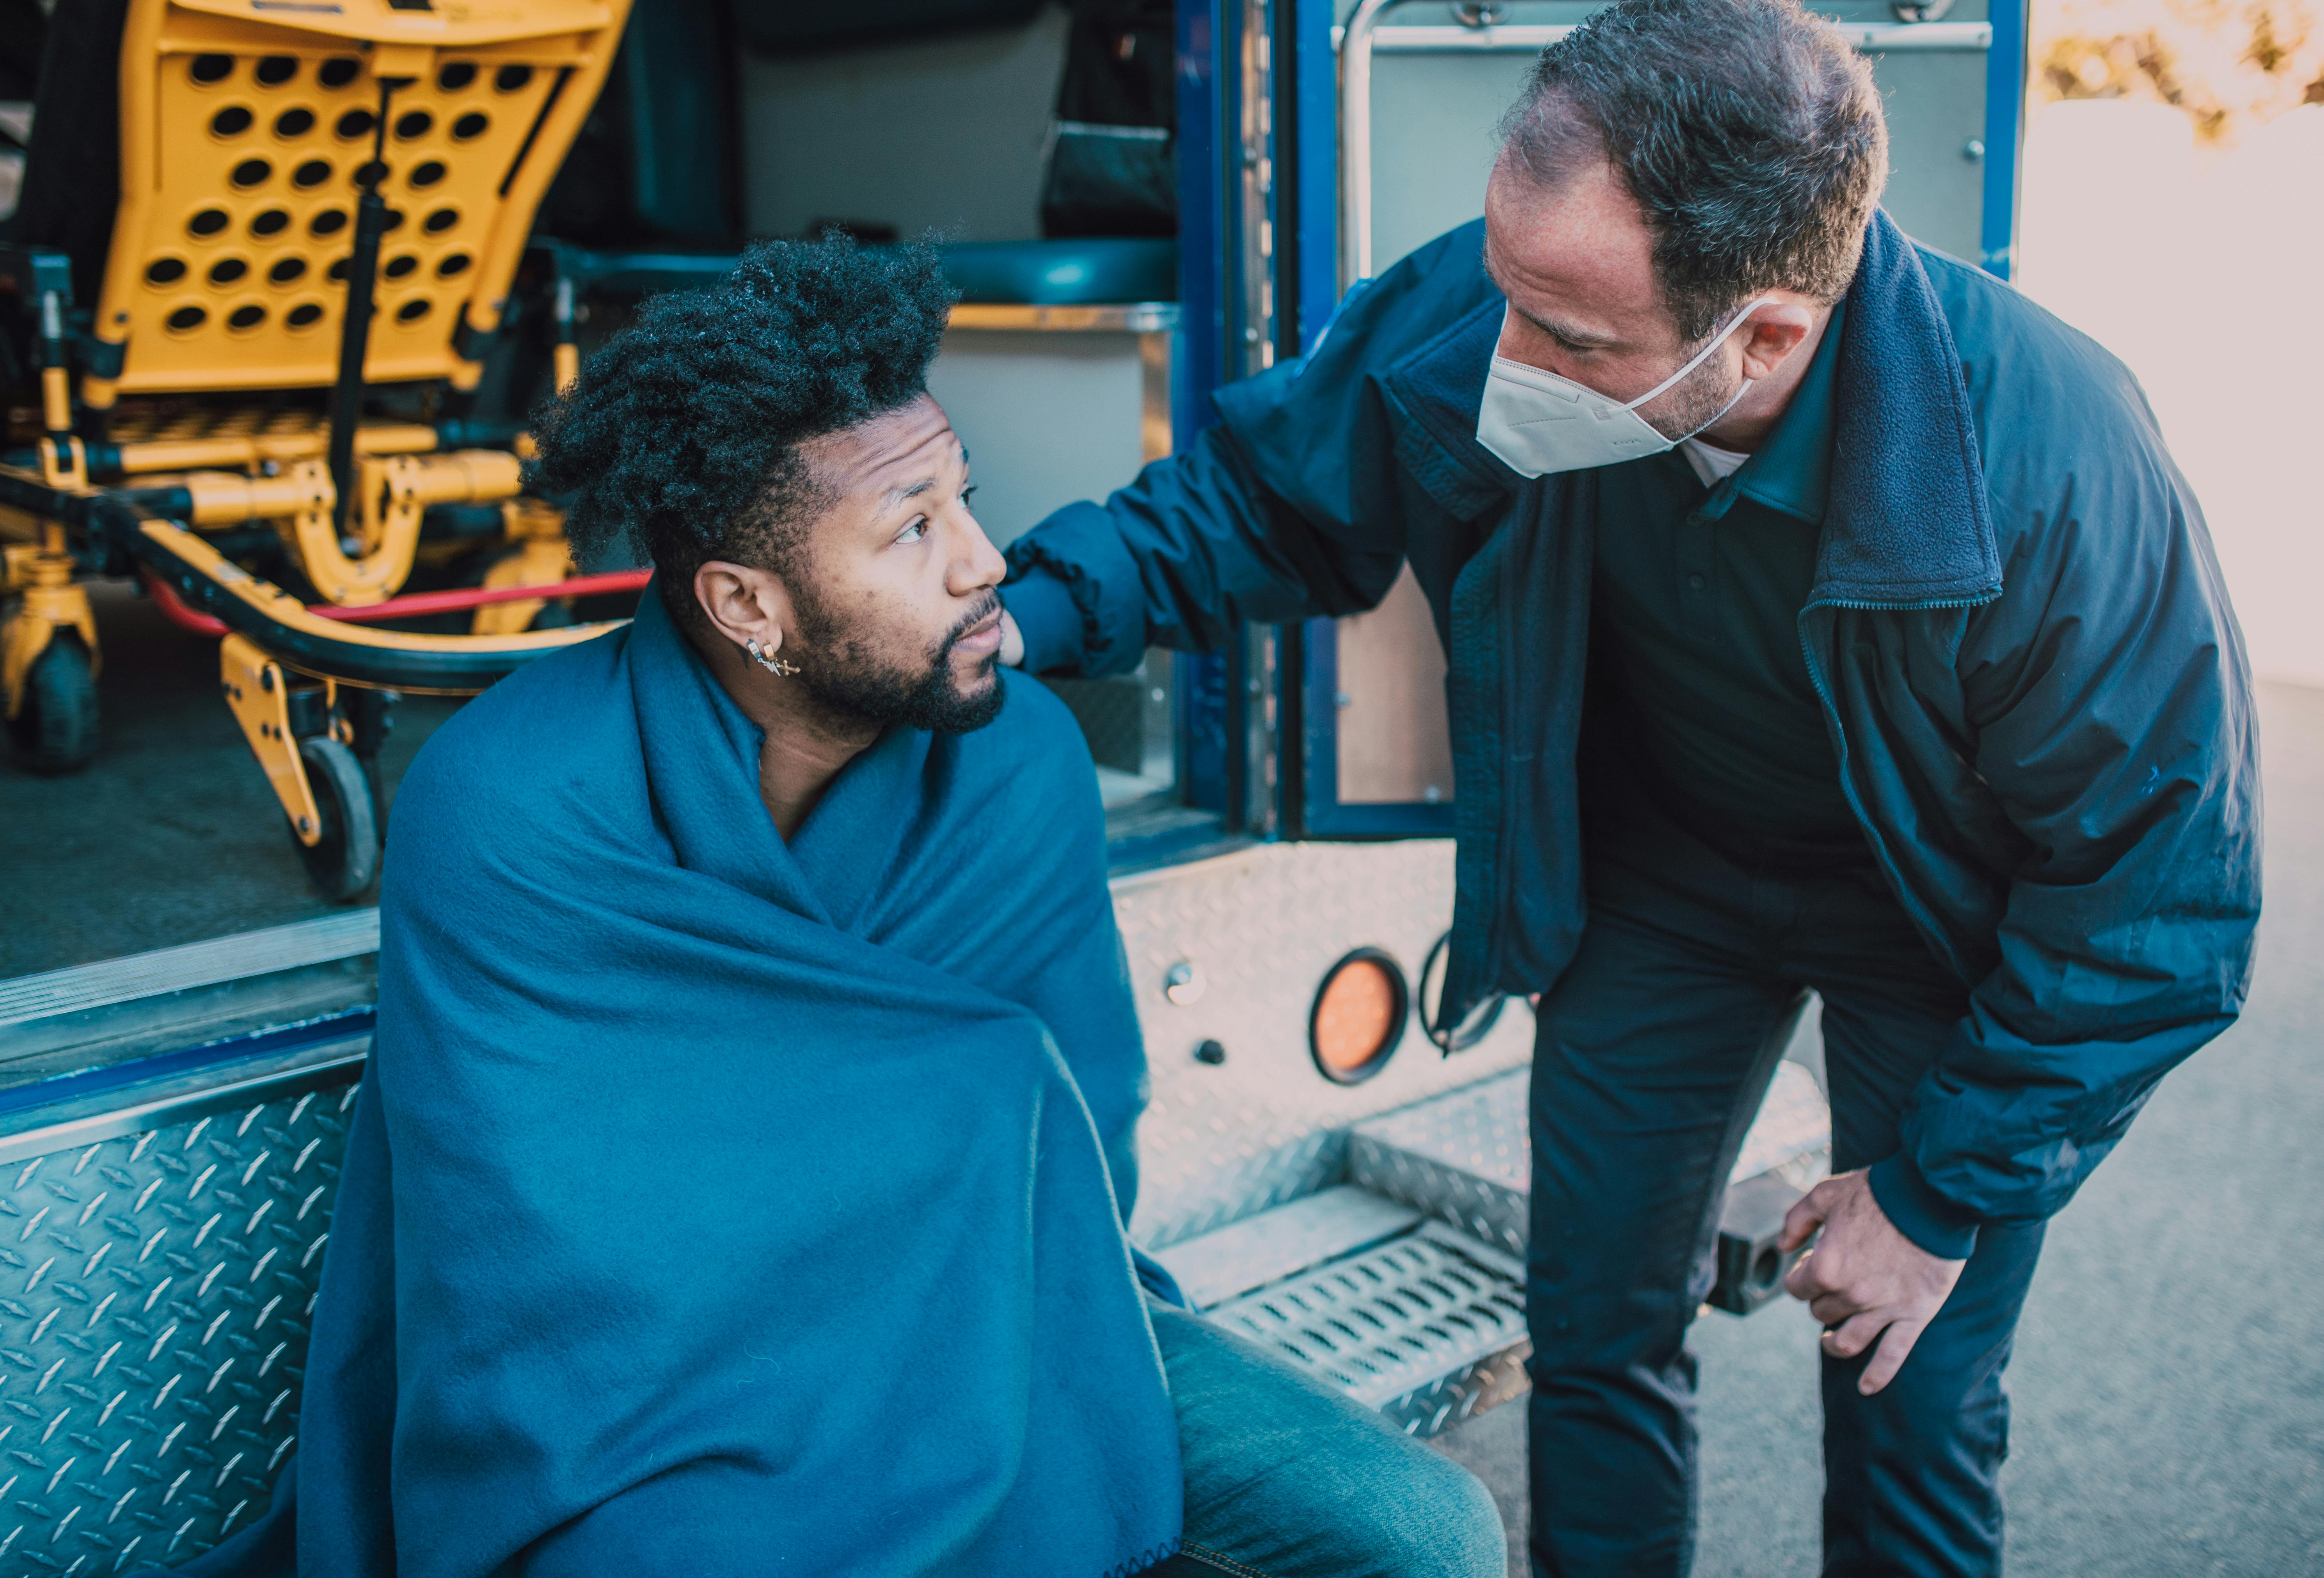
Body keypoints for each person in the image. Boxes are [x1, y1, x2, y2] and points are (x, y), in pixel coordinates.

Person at [992, 1, 2262, 1574]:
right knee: (1591, 1336)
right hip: (1659, 883)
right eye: (1510, 298)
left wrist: (1935, 1193)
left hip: (1936, 924)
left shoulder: (2052, 461)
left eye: (1576, 344)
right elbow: (1261, 498)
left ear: (1770, 334)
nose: (1502, 362)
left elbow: (2163, 894)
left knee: (1910, 1391)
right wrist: (1013, 620)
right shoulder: (1518, 290)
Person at [170, 239, 1504, 1578]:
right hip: (647, 1402)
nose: (986, 563)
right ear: (747, 603)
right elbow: (532, 1272)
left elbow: (1073, 1144)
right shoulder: (511, 800)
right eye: (913, 529)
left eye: (965, 502)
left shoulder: (1018, 758)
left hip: (1006, 1304)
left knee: (1423, 1530)